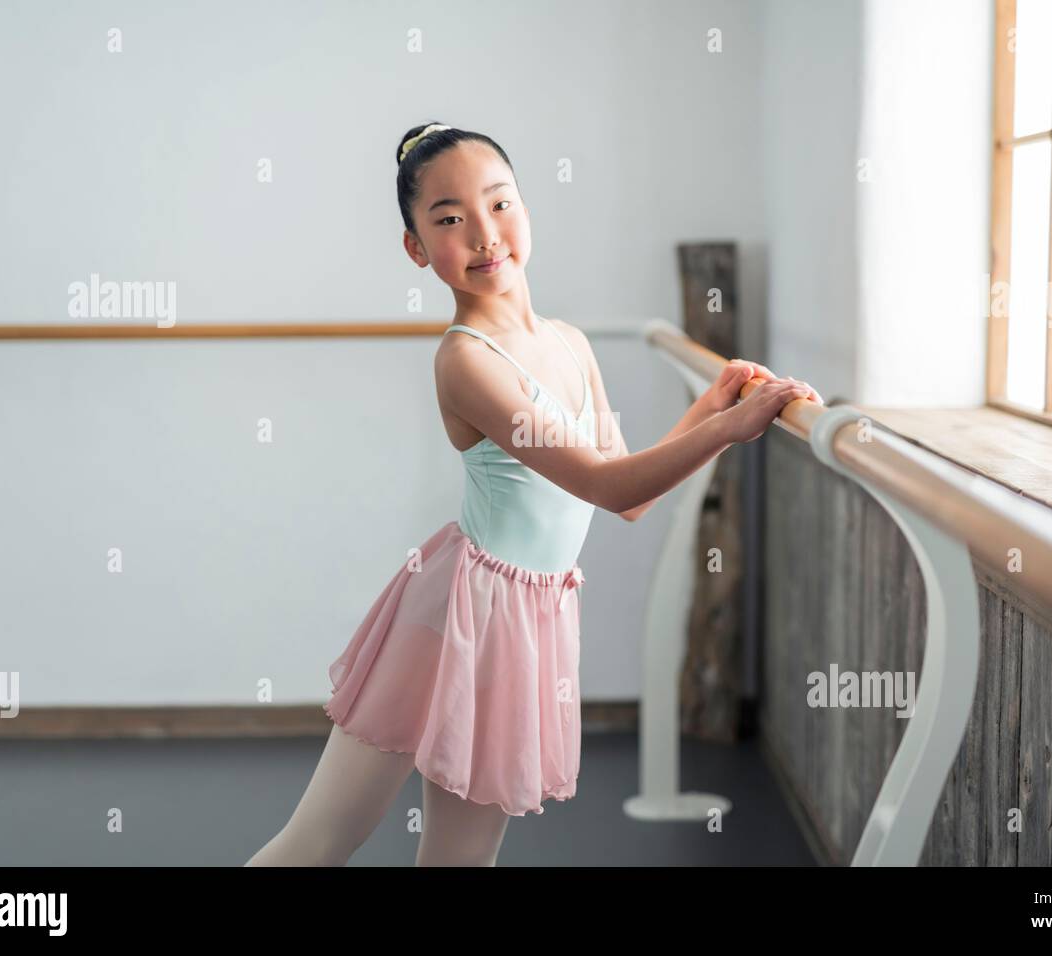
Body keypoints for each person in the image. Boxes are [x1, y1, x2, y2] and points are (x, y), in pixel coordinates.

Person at [245, 122, 821, 867]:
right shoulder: (466, 362)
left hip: (523, 621)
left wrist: (708, 407)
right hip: (451, 611)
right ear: (417, 248)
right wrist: (730, 428)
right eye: (449, 219)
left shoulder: (571, 344)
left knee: (462, 861)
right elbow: (606, 485)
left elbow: (628, 489)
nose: (484, 235)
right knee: (320, 843)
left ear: (525, 207)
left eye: (499, 204)